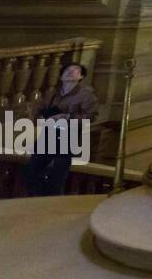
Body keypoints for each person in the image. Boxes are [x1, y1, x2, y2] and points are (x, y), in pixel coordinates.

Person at [25, 61, 98, 197]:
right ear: (61, 77)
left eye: (75, 70)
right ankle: (38, 197)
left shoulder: (86, 95)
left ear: (81, 76)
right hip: (48, 134)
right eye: (67, 70)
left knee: (58, 175)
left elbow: (91, 116)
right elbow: (40, 111)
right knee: (32, 170)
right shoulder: (52, 94)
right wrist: (42, 116)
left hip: (67, 136)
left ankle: (51, 201)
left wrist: (68, 116)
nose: (70, 71)